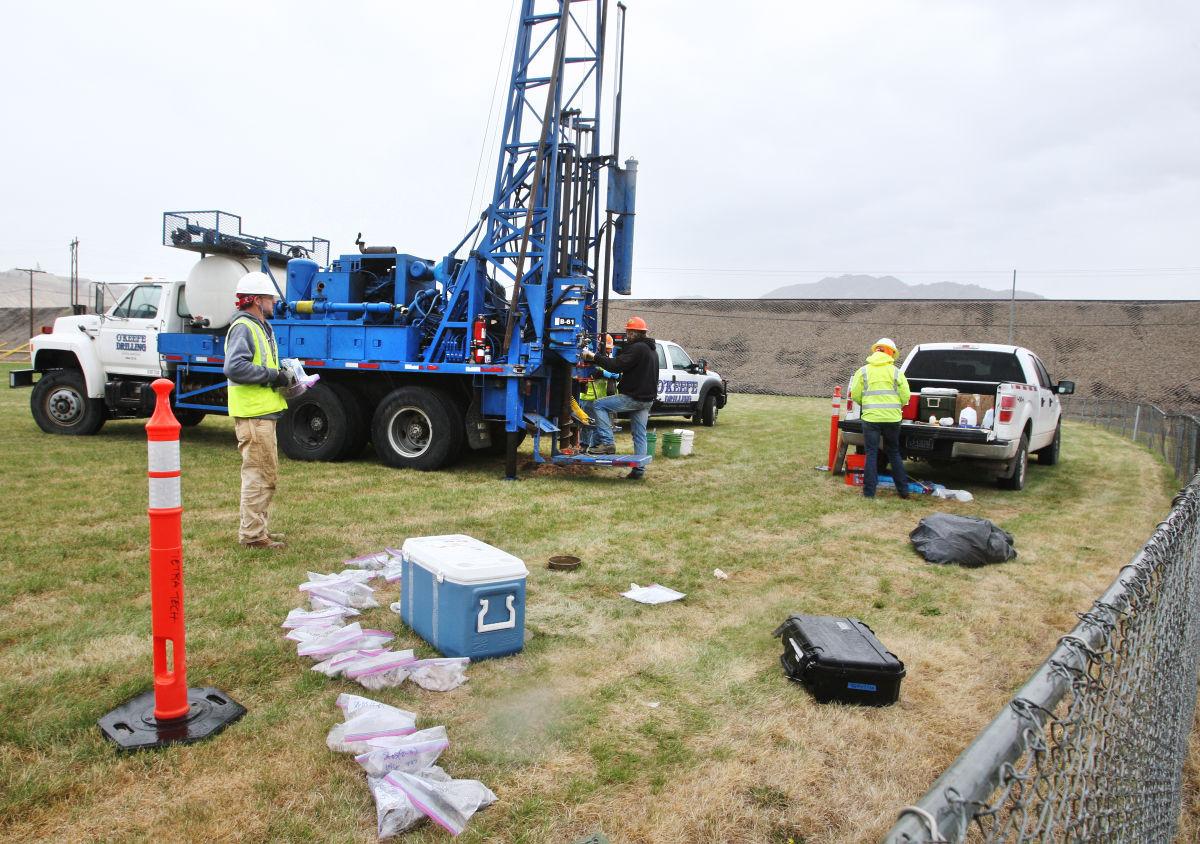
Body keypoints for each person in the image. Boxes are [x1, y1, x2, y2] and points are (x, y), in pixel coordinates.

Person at [223, 271, 291, 549]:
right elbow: (234, 367)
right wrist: (273, 376)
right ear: (255, 300)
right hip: (253, 414)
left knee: (266, 475)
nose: (274, 302)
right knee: (259, 475)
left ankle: (258, 530)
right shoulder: (244, 326)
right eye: (269, 298)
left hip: (263, 412)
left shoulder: (260, 325)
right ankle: (252, 537)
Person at [581, 316, 658, 480]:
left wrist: (593, 357)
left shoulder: (638, 348)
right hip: (646, 400)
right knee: (639, 434)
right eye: (628, 331)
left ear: (638, 333)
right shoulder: (651, 350)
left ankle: (608, 443)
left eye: (630, 332)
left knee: (599, 405)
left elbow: (616, 365)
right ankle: (638, 471)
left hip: (634, 397)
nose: (627, 334)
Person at [849, 338, 912, 499]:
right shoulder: (896, 372)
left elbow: (855, 394)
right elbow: (905, 396)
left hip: (871, 419)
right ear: (891, 353)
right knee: (893, 452)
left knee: (871, 453)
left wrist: (868, 404)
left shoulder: (863, 371)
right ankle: (903, 492)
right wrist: (896, 406)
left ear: (875, 350)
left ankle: (869, 493)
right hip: (892, 419)